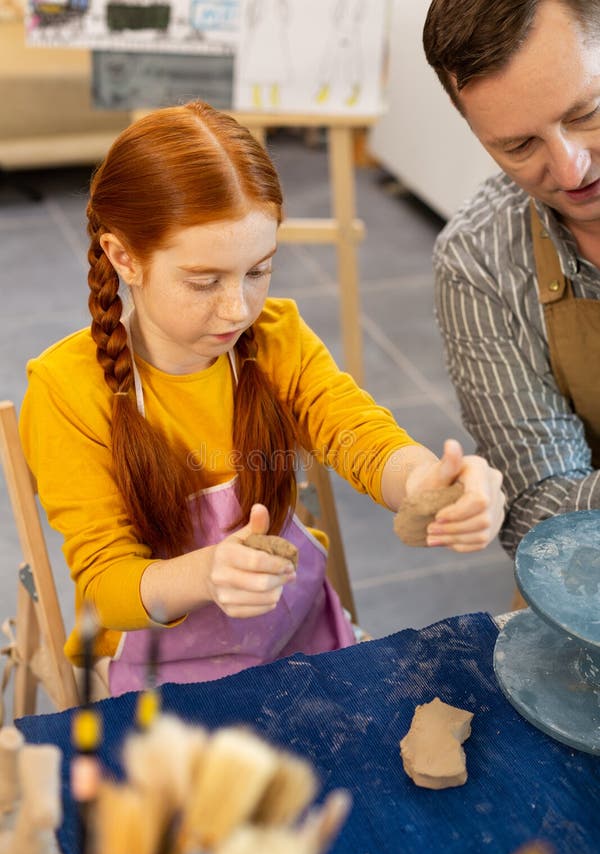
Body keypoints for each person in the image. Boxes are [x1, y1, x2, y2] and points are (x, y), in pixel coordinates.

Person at [19, 101, 504, 697]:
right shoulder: (68, 390)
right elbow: (103, 585)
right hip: (160, 668)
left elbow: (360, 438)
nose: (238, 309)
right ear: (124, 258)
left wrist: (431, 483)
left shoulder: (276, 340)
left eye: (259, 271)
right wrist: (206, 574)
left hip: (299, 632)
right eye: (204, 281)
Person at [423, 0, 600, 559]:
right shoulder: (477, 260)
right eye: (520, 146)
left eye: (587, 112)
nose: (572, 169)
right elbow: (539, 513)